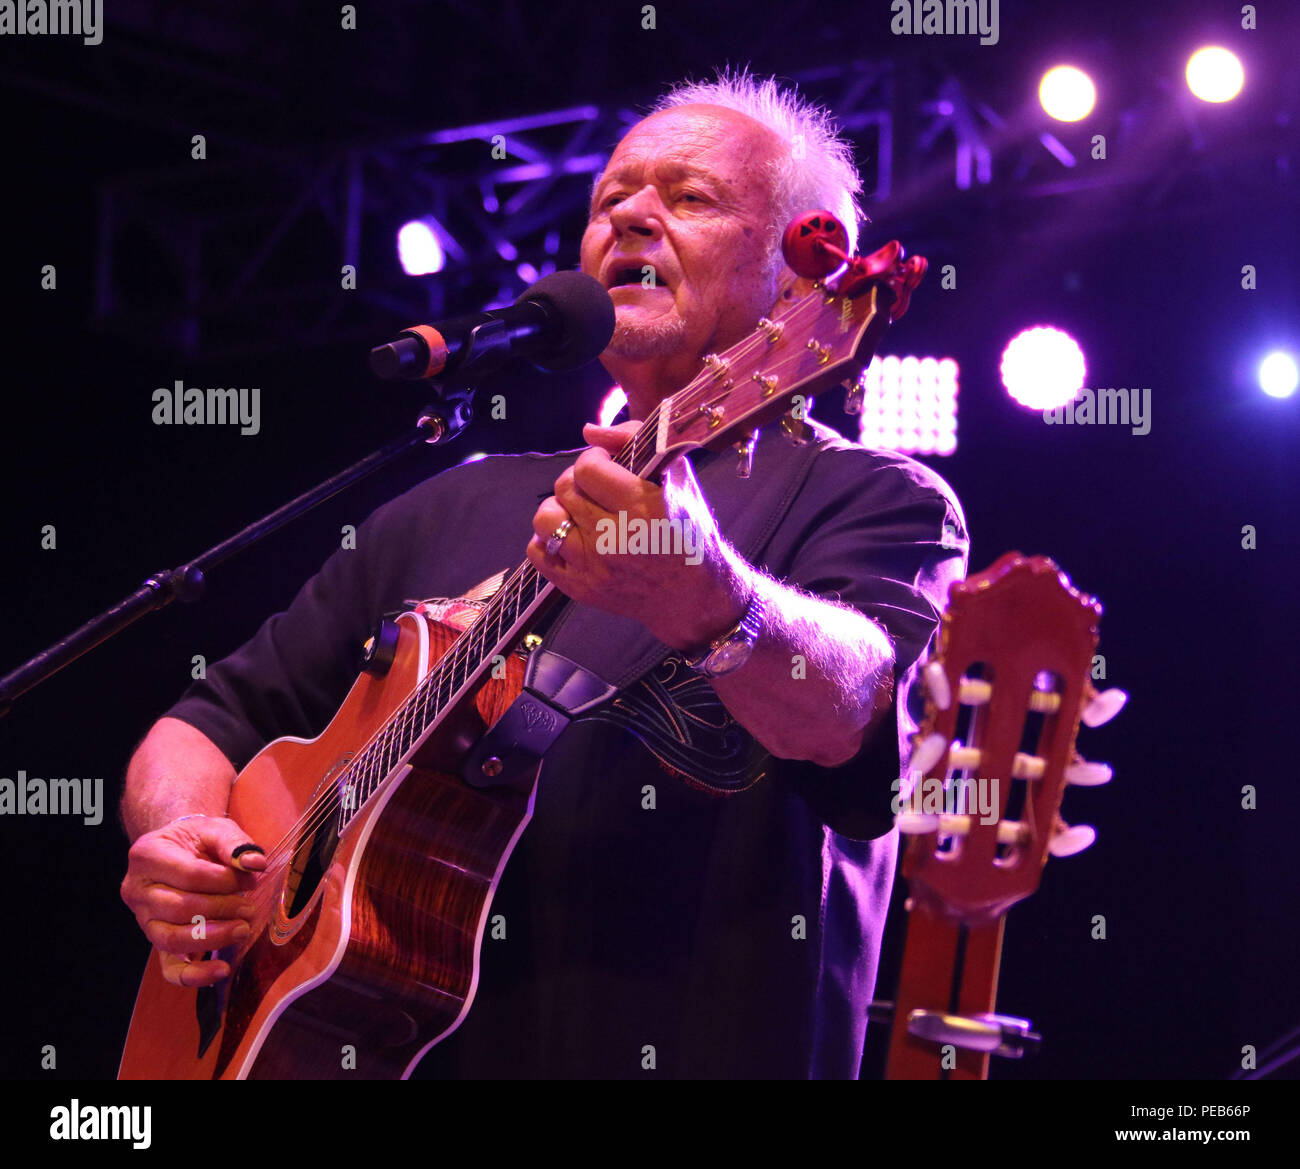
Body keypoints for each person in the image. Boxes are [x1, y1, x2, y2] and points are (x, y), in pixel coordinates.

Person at [119, 69, 968, 1079]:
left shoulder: (878, 498)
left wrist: (714, 603)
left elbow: (848, 714)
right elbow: (208, 718)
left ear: (800, 273)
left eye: (689, 198)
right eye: (612, 198)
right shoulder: (453, 499)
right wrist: (187, 845)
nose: (634, 216)